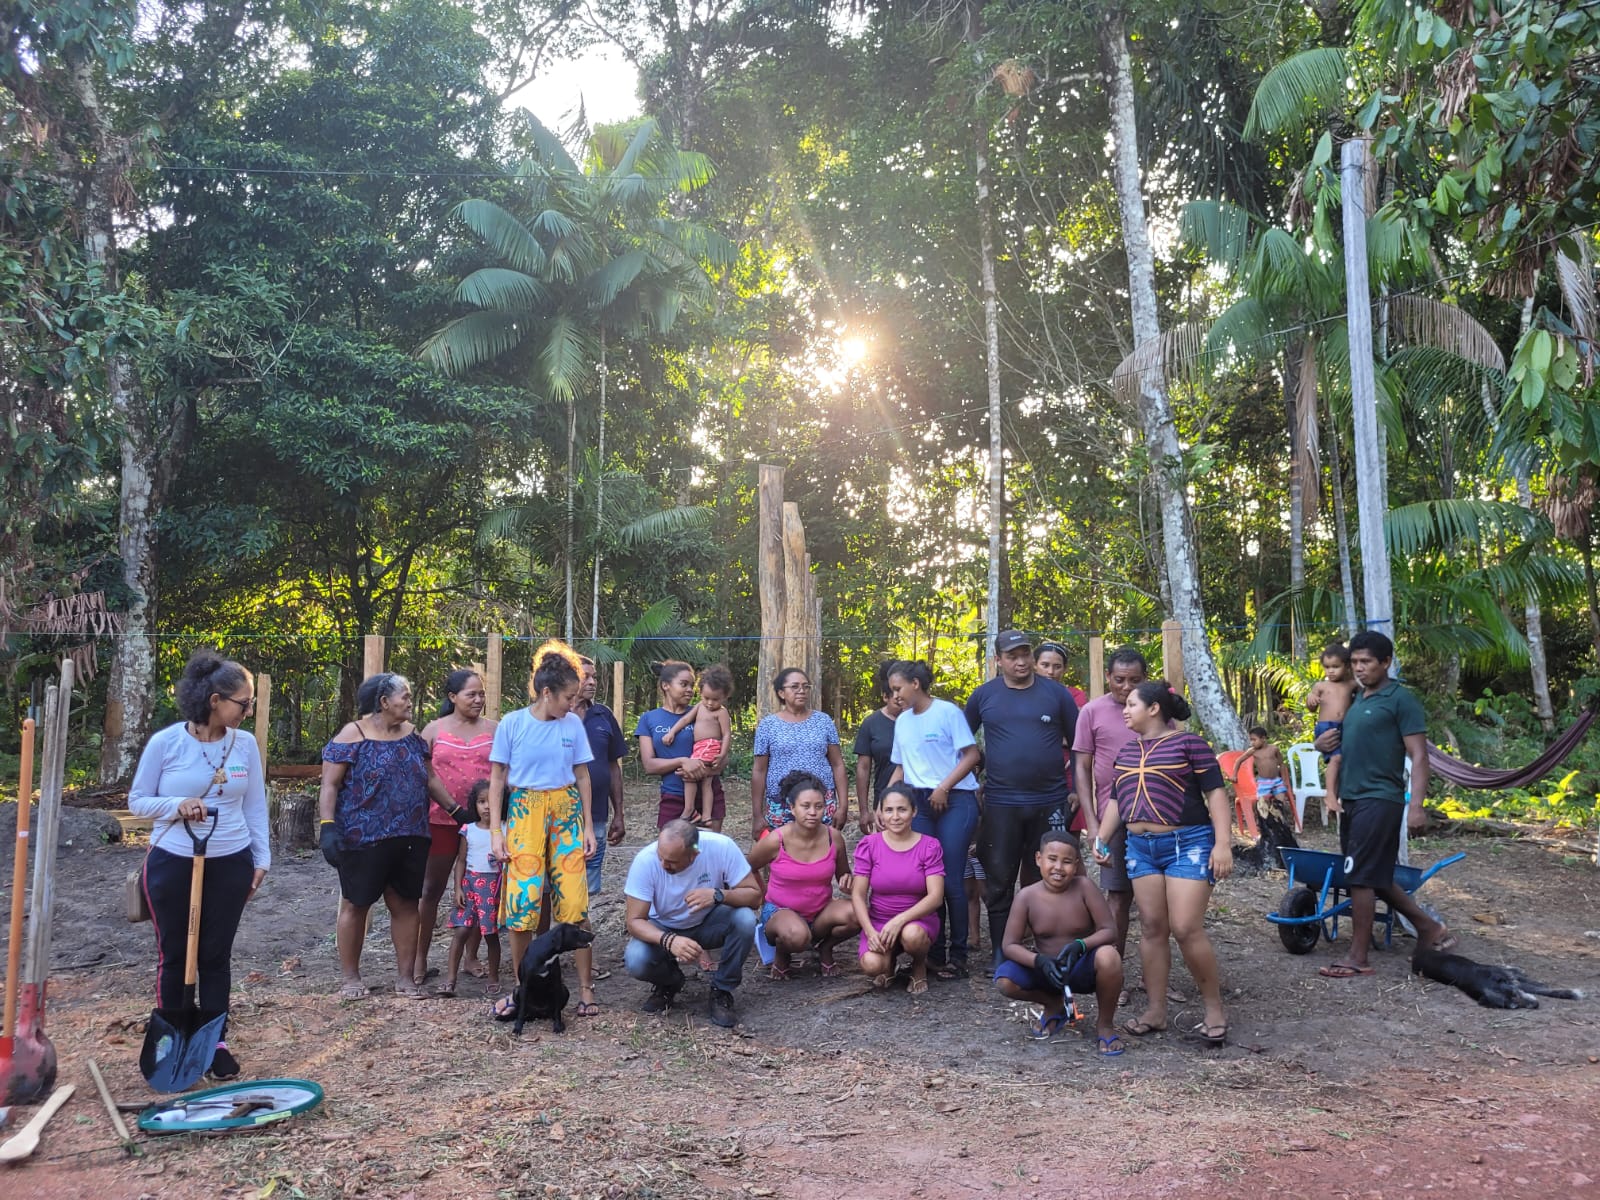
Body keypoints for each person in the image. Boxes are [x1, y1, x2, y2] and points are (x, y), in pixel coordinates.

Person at [131, 649, 269, 1080]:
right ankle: (172, 1036)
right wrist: (177, 804)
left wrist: (261, 859)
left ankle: (214, 1040)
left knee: (214, 954)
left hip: (230, 860)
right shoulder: (166, 743)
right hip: (173, 859)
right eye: (243, 703)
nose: (249, 710)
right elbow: (137, 801)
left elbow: (255, 806)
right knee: (175, 953)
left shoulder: (244, 743)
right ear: (215, 700)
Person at [1093, 681, 1233, 1045]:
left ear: (1154, 708)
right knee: (1153, 928)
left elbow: (1216, 794)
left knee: (1186, 927)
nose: (1124, 710)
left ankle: (1214, 1009)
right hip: (1141, 847)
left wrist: (1223, 845)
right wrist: (1101, 838)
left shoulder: (1190, 744)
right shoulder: (1126, 751)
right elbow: (1116, 801)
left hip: (1188, 843)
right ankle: (1156, 1011)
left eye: (1132, 704)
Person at [320, 672, 471, 1000]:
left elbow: (430, 778)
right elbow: (329, 784)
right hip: (363, 837)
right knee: (356, 903)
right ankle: (350, 978)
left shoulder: (412, 735)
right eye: (404, 696)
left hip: (411, 834)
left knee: (405, 904)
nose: (410, 701)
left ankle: (405, 978)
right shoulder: (353, 735)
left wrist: (456, 811)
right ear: (384, 702)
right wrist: (327, 825)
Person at [1313, 630, 1453, 978]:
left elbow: (1419, 756)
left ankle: (1358, 957)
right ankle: (1428, 927)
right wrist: (1322, 744)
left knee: (1359, 876)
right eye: (1355, 662)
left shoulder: (1400, 699)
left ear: (1386, 662)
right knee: (1371, 873)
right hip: (1354, 798)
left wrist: (1416, 806)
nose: (1359, 668)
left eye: (1366, 662)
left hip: (1382, 797)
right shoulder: (1357, 698)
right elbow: (1347, 747)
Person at [487, 641, 598, 1019]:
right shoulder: (513, 724)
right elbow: (498, 777)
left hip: (566, 811)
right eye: (568, 696)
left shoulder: (573, 725)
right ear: (546, 693)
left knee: (574, 902)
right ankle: (523, 988)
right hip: (525, 811)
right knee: (522, 904)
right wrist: (496, 831)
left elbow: (582, 774)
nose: (572, 703)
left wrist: (586, 827)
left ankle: (585, 989)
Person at [964, 631, 1079, 968]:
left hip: (1051, 800)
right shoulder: (983, 696)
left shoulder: (1056, 695)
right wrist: (970, 781)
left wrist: (1077, 790)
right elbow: (960, 741)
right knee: (999, 877)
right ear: (998, 660)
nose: (1020, 661)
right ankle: (1003, 950)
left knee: (1051, 872)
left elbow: (1080, 746)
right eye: (1012, 655)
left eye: (1025, 653)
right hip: (1002, 802)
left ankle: (1051, 947)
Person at [1071, 646, 1166, 998]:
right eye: (1119, 680)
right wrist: (1093, 824)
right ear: (1108, 677)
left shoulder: (1157, 708)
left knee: (1159, 903)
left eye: (1135, 681)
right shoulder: (1092, 712)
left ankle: (1155, 977)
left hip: (1157, 818)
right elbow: (1081, 768)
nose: (1126, 688)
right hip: (1114, 818)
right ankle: (1116, 974)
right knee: (1118, 897)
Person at [885, 659, 981, 979]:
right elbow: (900, 767)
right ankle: (933, 951)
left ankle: (959, 955)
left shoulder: (947, 712)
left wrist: (944, 787)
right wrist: (885, 802)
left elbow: (972, 755)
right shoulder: (902, 722)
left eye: (898, 688)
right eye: (891, 690)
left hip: (955, 800)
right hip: (920, 802)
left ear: (915, 683)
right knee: (927, 877)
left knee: (951, 876)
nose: (894, 694)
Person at [623, 819, 762, 1027]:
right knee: (636, 958)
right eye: (661, 856)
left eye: (671, 861)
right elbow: (634, 921)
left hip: (708, 922)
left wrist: (718, 895)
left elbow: (755, 896)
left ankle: (722, 990)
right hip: (663, 926)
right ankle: (669, 982)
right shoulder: (645, 861)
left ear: (694, 854)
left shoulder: (721, 847)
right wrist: (670, 940)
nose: (663, 864)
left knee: (745, 919)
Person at [996, 831, 1125, 1054]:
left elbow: (1110, 931)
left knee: (1109, 956)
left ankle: (1104, 1024)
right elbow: (1009, 945)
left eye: (1066, 862)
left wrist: (1081, 945)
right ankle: (1054, 1005)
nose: (1058, 868)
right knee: (1005, 980)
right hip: (1048, 971)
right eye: (1052, 859)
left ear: (1076, 865)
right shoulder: (1026, 896)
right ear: (1038, 859)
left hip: (1082, 967)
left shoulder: (1084, 887)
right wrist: (1039, 961)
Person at [417, 668, 497, 985]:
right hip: (440, 820)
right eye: (471, 694)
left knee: (481, 888)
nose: (478, 700)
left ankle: (472, 956)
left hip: (484, 826)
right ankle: (419, 958)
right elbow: (423, 773)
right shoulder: (433, 730)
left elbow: (504, 772)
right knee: (430, 890)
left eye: (481, 694)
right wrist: (452, 808)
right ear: (452, 697)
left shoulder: (495, 729)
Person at [745, 771, 858, 979]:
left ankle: (825, 949)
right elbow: (746, 868)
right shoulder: (775, 840)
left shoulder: (834, 838)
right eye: (805, 806)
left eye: (819, 806)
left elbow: (845, 875)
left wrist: (848, 884)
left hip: (820, 911)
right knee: (797, 936)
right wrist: (760, 895)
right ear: (792, 808)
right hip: (780, 911)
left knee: (858, 913)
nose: (813, 812)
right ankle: (782, 952)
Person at [850, 783, 946, 995]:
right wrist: (869, 931)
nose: (895, 817)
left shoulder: (929, 846)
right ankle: (890, 959)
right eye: (889, 810)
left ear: (914, 811)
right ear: (881, 814)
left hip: (917, 921)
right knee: (872, 966)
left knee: (912, 935)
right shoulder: (869, 844)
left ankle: (919, 964)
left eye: (902, 809)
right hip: (879, 921)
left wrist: (899, 921)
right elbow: (857, 894)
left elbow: (936, 897)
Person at [751, 668, 850, 839]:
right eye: (794, 686)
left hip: (820, 803)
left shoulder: (823, 721)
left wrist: (843, 806)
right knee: (782, 853)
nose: (801, 691)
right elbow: (759, 770)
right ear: (781, 692)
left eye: (805, 686)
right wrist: (757, 814)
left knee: (821, 850)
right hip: (780, 803)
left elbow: (837, 764)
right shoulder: (768, 726)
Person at [637, 662, 725, 830]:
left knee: (708, 852)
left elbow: (721, 756)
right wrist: (683, 762)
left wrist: (706, 768)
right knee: (672, 852)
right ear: (666, 685)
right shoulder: (649, 719)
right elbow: (649, 765)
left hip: (707, 795)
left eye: (692, 685)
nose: (690, 690)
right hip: (673, 796)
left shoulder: (705, 711)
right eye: (684, 684)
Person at [441, 780, 501, 997]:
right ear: (473, 805)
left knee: (491, 935)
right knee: (461, 931)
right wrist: (458, 888)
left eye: (491, 802)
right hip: (470, 886)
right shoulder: (468, 830)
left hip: (493, 889)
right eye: (481, 802)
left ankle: (494, 978)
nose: (486, 807)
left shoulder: (504, 829)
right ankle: (450, 979)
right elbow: (461, 861)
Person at [576, 657, 627, 901]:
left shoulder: (603, 715)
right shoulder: (554, 717)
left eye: (594, 676)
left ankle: (578, 936)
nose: (592, 682)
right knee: (550, 884)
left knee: (589, 881)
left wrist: (618, 813)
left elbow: (613, 766)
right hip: (557, 817)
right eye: (585, 676)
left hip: (596, 815)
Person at [662, 664, 734, 827]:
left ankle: (691, 810)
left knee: (690, 777)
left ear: (724, 697)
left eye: (715, 699)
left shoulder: (721, 712)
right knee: (703, 781)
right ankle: (704, 815)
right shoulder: (700, 707)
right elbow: (685, 720)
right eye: (706, 698)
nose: (709, 703)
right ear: (700, 693)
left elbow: (726, 734)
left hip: (710, 747)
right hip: (699, 748)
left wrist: (722, 754)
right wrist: (672, 732)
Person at [852, 661, 905, 833]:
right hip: (885, 800)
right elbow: (863, 768)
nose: (902, 702)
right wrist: (864, 811)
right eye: (897, 700)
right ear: (885, 697)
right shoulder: (871, 724)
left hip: (918, 799)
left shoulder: (919, 721)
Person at [1306, 642, 1357, 819]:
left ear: (1346, 666)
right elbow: (1311, 708)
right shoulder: (1321, 686)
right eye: (1327, 667)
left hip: (1346, 727)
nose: (1331, 671)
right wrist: (1310, 699)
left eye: (1336, 666)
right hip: (1326, 728)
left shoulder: (1351, 684)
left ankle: (1334, 800)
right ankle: (1330, 795)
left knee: (1342, 762)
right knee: (1336, 759)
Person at [1241, 726, 1294, 820]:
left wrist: (1285, 780)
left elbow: (1282, 764)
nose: (1252, 742)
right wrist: (1234, 775)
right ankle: (1258, 818)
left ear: (1263, 739)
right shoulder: (1252, 751)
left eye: (1254, 740)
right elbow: (1239, 761)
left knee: (1280, 801)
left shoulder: (1274, 749)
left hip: (1276, 780)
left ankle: (1279, 820)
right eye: (1251, 740)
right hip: (1263, 782)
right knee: (1261, 802)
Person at [1033, 641, 1089, 709]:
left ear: (1065, 668)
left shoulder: (1074, 695)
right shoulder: (1022, 693)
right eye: (1045, 665)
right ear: (1034, 665)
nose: (1051, 672)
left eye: (1057, 667)